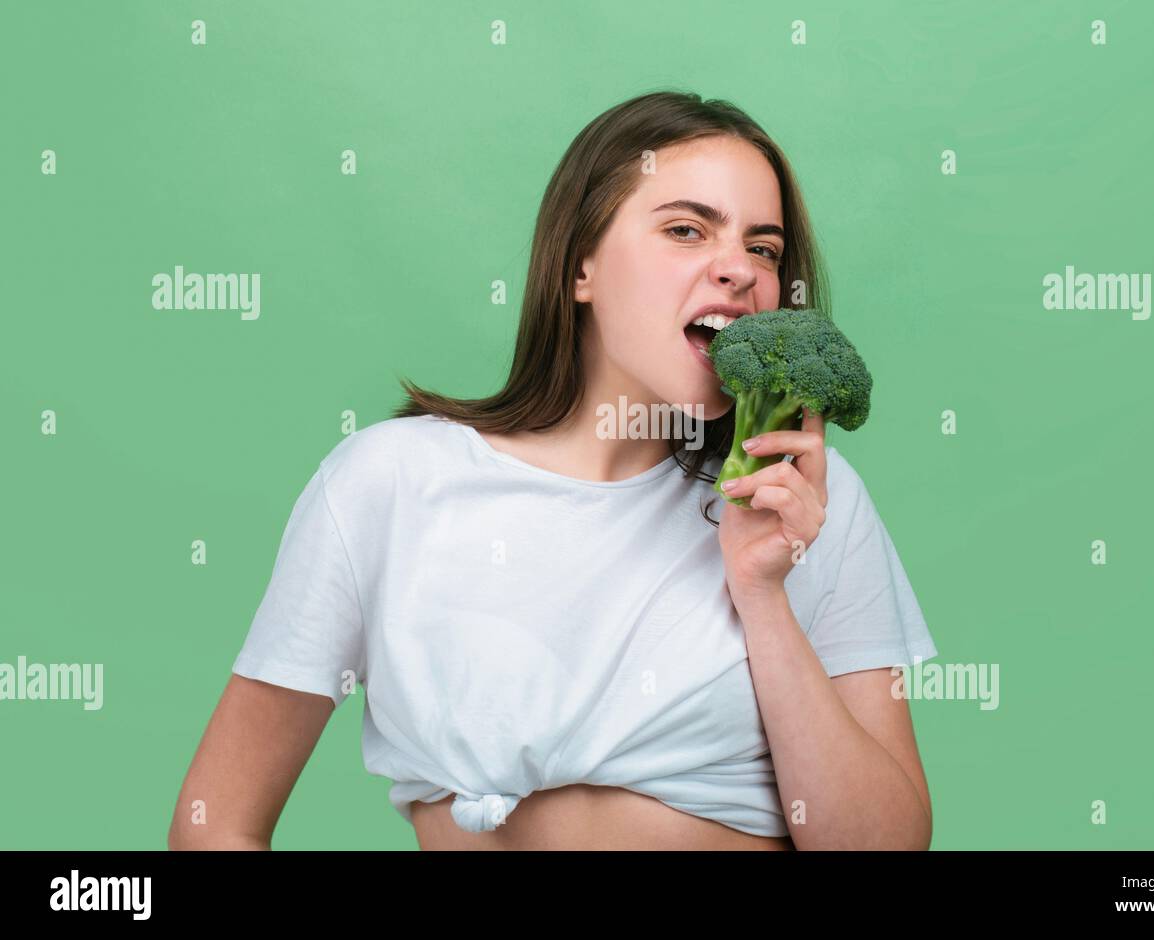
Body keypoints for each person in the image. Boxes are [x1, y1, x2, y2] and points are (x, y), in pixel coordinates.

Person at [168, 90, 939, 852]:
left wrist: (762, 592)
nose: (738, 270)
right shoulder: (390, 484)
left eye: (763, 249)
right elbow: (215, 822)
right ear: (582, 267)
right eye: (685, 229)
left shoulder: (804, 503)